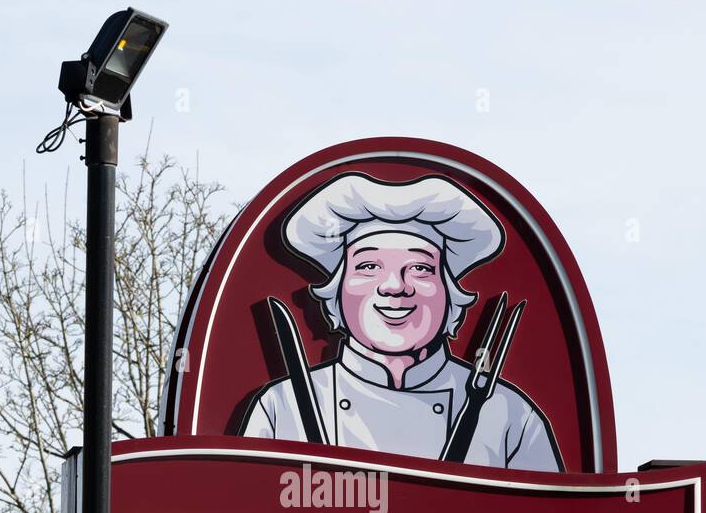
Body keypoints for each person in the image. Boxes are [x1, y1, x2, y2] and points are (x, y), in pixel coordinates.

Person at [240, 173, 562, 471]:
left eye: (420, 269)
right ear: (336, 294)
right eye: (368, 266)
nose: (394, 286)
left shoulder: (510, 417)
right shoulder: (281, 407)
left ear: (449, 295)